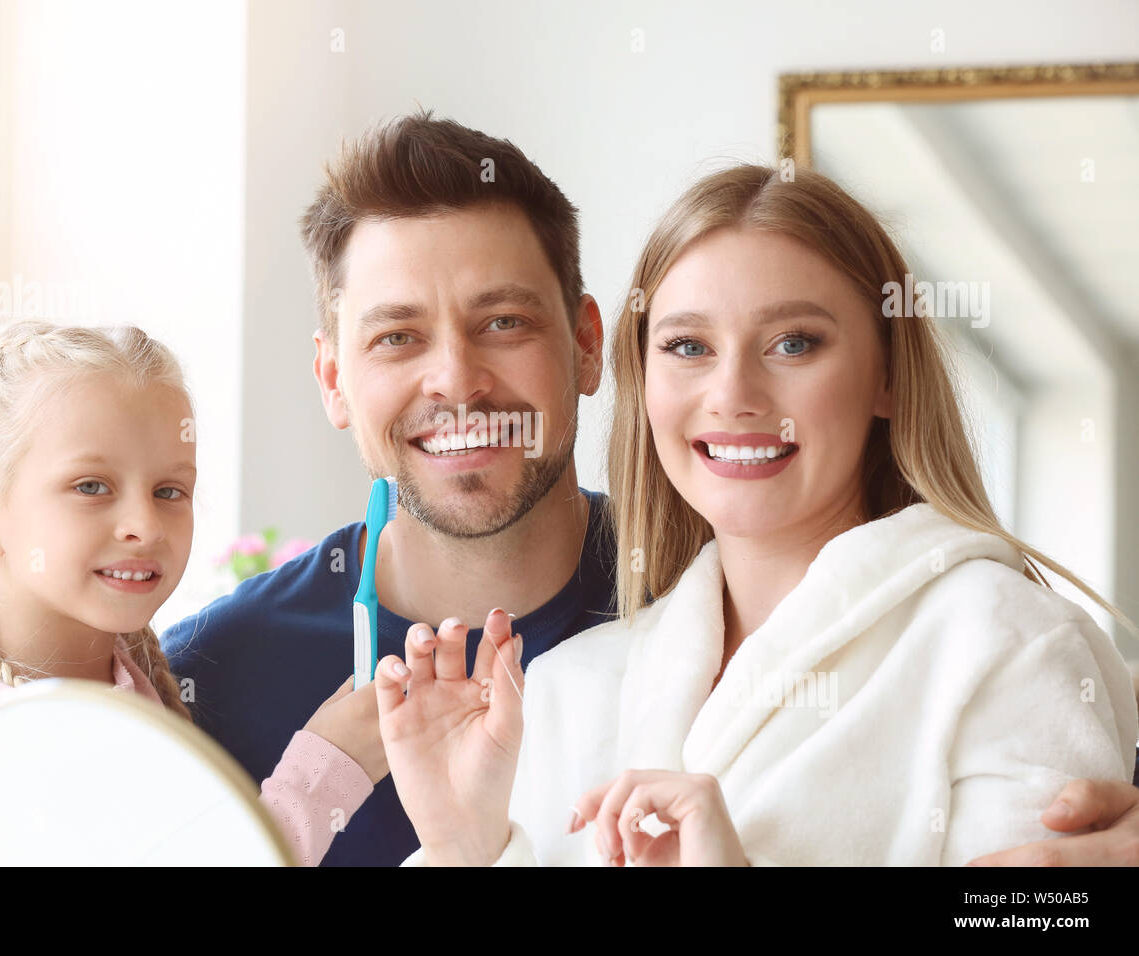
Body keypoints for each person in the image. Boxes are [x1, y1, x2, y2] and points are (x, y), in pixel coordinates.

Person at [164, 110, 1139, 866]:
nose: (456, 380)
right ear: (333, 377)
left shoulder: (990, 636)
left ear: (589, 345)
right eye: (396, 335)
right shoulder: (204, 681)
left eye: (503, 321)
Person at [0, 320, 370, 867]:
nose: (145, 525)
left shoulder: (130, 691)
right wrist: (330, 765)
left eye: (169, 491)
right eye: (91, 486)